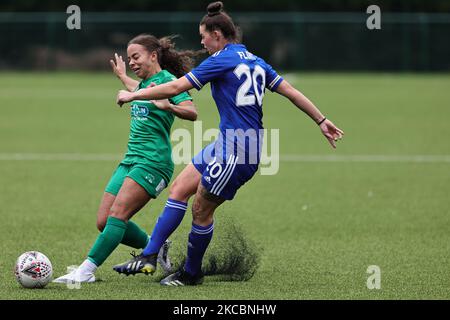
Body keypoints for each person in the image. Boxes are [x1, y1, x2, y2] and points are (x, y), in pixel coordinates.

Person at [114, 1, 344, 286]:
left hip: (239, 150)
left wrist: (133, 95)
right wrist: (321, 120)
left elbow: (175, 88)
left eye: (203, 36)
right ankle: (149, 255)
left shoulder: (221, 60)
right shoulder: (255, 60)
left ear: (218, 34)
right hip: (226, 143)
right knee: (180, 187)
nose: (202, 42)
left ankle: (191, 274)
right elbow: (291, 92)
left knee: (201, 208)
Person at [53, 34, 198, 283]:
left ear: (153, 55)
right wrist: (122, 78)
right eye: (129, 58)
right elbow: (139, 91)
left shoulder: (169, 82)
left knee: (118, 216)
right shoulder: (145, 85)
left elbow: (192, 112)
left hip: (153, 162)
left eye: (136, 57)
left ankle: (85, 271)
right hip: (130, 160)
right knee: (103, 220)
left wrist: (168, 106)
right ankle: (157, 248)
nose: (132, 62)